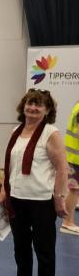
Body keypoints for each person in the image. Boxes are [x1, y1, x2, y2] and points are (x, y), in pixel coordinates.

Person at [0, 89, 68, 276]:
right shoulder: (16, 131)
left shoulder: (51, 133)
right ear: (23, 106)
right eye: (30, 103)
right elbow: (11, 165)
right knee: (20, 245)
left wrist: (59, 198)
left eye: (39, 105)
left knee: (43, 247)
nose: (33, 108)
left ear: (47, 110)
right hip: (17, 198)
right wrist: (4, 190)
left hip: (41, 200)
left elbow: (62, 169)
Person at [61, 100, 79, 235]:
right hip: (76, 158)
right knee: (74, 190)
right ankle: (67, 222)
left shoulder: (77, 105)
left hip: (73, 156)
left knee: (73, 190)